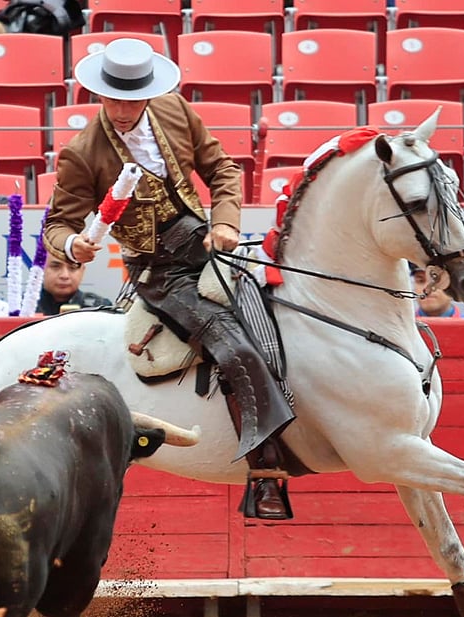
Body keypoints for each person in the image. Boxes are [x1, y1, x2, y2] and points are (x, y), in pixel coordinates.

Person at [43, 38, 294, 519]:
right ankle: (267, 469)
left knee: (281, 307)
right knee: (231, 341)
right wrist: (74, 245)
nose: (122, 110)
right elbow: (58, 224)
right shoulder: (83, 152)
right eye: (113, 99)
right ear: (99, 94)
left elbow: (222, 169)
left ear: (147, 94)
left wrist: (225, 222)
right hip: (158, 270)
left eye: (132, 100)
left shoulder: (174, 110)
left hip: (206, 245)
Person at [36, 254, 112, 315]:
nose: (64, 275)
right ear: (42, 268)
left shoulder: (100, 309)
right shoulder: (29, 307)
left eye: (73, 267)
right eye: (56, 266)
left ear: (82, 271)